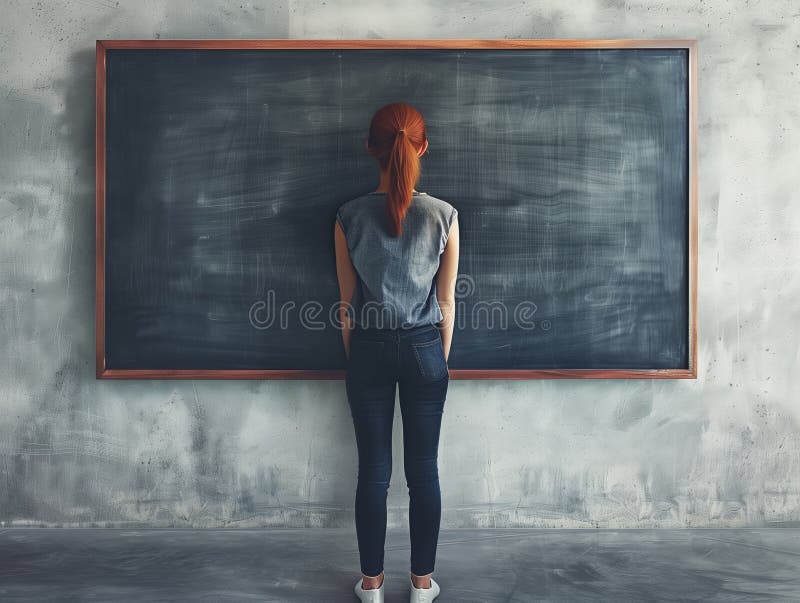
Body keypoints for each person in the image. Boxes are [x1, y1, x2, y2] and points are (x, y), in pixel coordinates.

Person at [334, 102, 459, 603]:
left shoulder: (347, 217)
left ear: (372, 148)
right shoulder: (444, 216)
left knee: (373, 472)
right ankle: (422, 586)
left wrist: (359, 356)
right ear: (422, 147)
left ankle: (371, 585)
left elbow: (346, 306)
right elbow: (446, 303)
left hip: (369, 348)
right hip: (426, 348)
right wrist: (437, 358)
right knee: (424, 471)